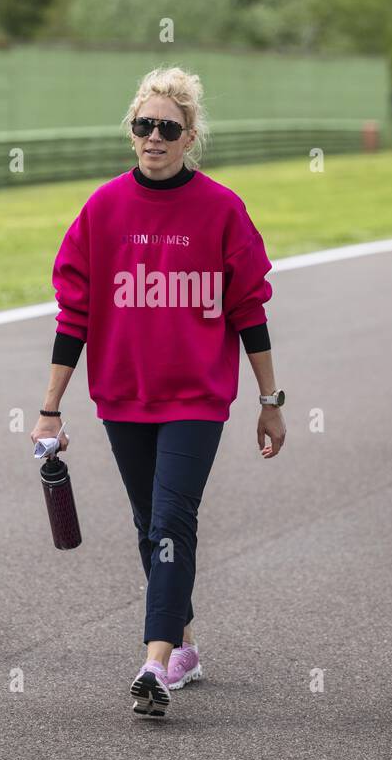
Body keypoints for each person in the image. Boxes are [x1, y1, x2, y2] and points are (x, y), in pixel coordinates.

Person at [30, 66, 285, 717]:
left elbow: (249, 310)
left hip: (196, 400)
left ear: (190, 135)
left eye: (167, 128)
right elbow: (74, 316)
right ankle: (185, 648)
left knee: (173, 521)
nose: (153, 137)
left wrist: (269, 401)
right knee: (150, 527)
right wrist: (50, 407)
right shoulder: (104, 209)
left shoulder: (222, 210)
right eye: (143, 126)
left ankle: (154, 663)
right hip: (123, 396)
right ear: (132, 132)